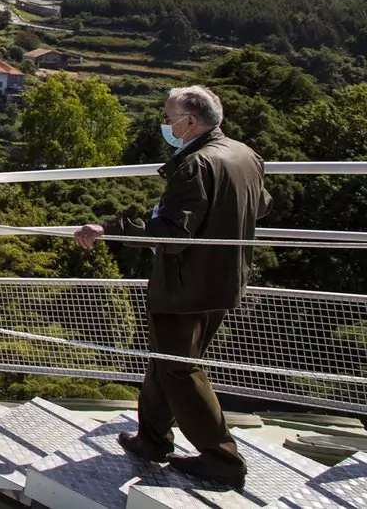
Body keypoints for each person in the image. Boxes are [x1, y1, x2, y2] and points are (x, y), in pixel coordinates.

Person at [76, 85, 271, 488]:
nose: (165, 124)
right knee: (165, 358)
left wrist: (109, 228)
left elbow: (173, 232)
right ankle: (152, 439)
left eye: (169, 118)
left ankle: (221, 457)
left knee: (180, 368)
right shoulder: (244, 155)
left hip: (186, 284)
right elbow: (262, 203)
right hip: (226, 277)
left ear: (191, 122)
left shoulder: (195, 165)